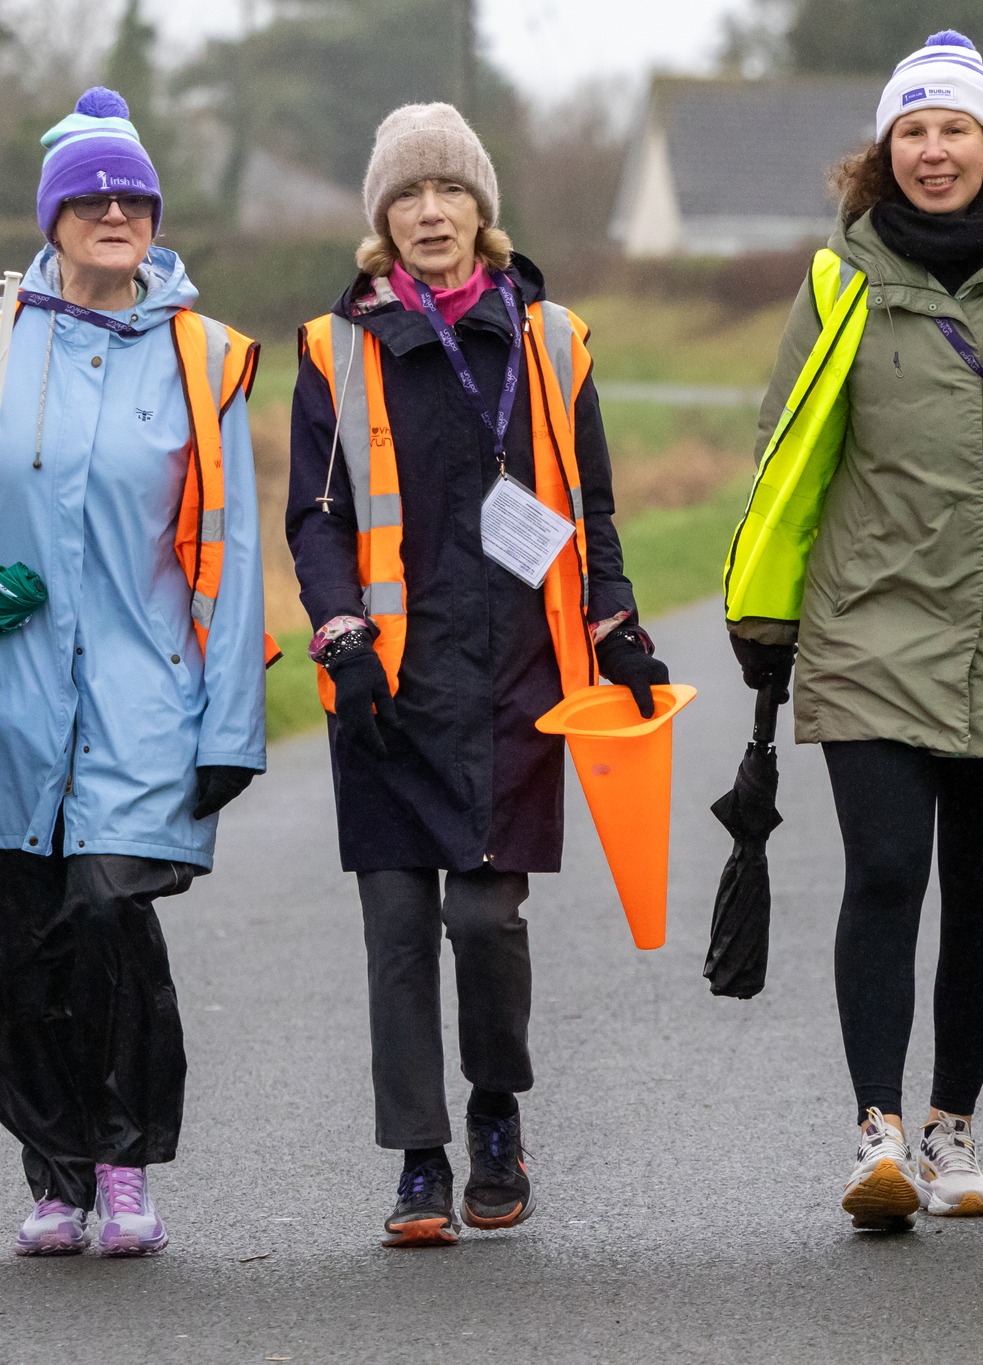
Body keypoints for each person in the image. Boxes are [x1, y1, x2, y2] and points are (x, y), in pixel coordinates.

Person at [723, 31, 983, 1230]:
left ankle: (952, 1127)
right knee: (887, 870)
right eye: (911, 132)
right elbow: (787, 449)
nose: (933, 151)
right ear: (879, 154)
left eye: (953, 129)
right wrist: (764, 610)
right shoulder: (838, 278)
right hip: (869, 618)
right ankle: (876, 1136)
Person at [0, 87, 270, 1258]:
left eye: (132, 196)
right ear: (53, 218)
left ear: (153, 217)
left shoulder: (205, 359)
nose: (114, 211)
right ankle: (52, 1175)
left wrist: (229, 729)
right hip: (5, 703)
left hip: (145, 700)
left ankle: (122, 1163)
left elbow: (233, 549)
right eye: (91, 197)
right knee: (16, 941)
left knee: (105, 924)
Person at [287, 103, 667, 1249]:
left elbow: (586, 512)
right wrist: (339, 629)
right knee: (398, 928)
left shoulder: (553, 342)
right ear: (381, 221)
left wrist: (616, 629)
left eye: (448, 192)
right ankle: (418, 1163)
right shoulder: (332, 350)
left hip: (513, 681)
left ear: (481, 212)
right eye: (406, 196)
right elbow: (316, 518)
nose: (429, 213)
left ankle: (495, 1113)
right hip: (387, 693)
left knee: (486, 920)